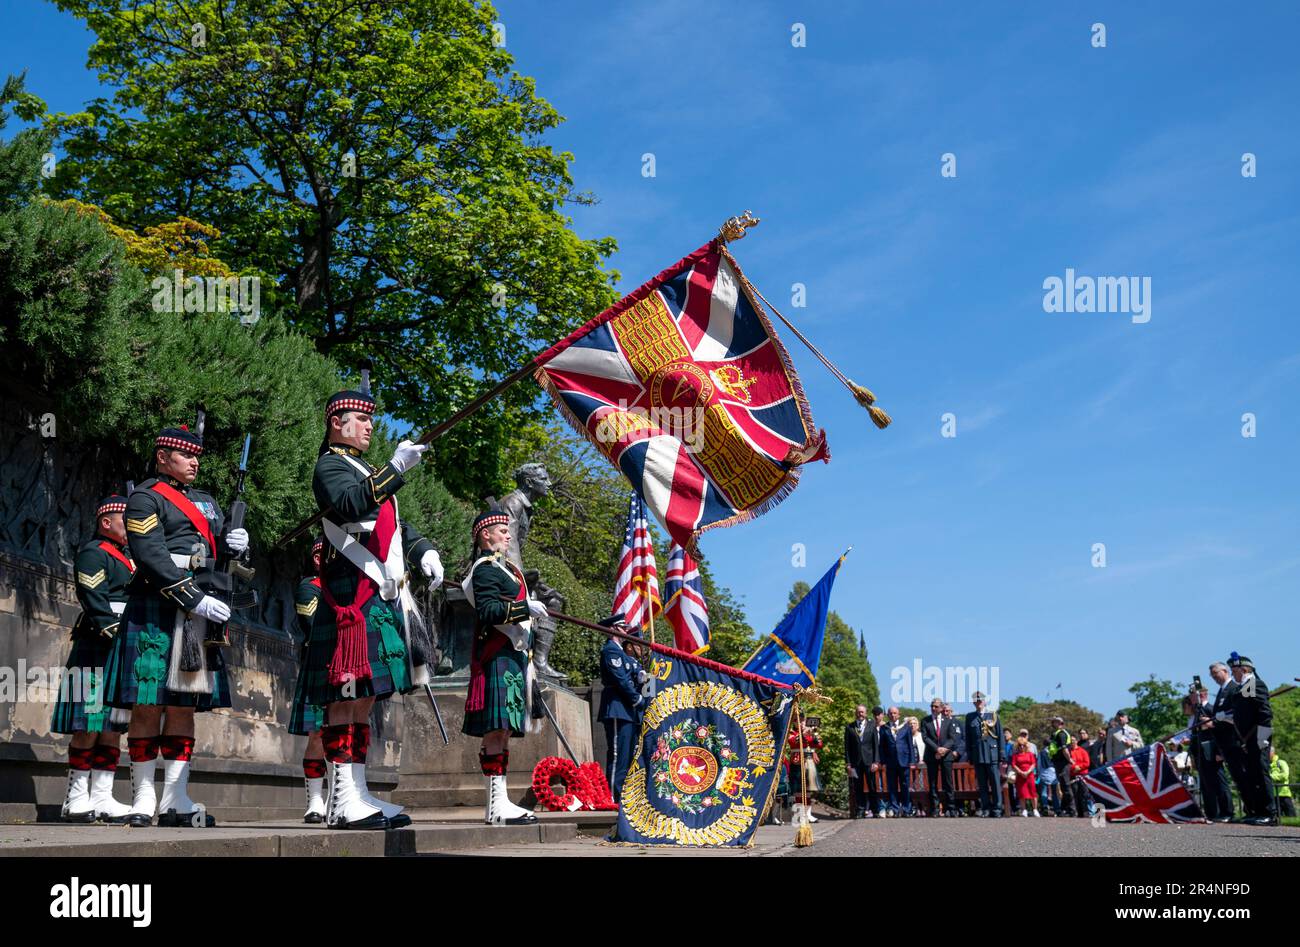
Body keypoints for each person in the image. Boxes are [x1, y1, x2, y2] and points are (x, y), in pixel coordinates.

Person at [302, 389, 443, 830]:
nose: (368, 426)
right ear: (335, 422)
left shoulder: (363, 469)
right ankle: (341, 800)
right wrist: (396, 468)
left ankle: (357, 792)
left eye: (369, 419)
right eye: (359, 418)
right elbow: (351, 504)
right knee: (346, 698)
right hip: (351, 597)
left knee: (363, 699)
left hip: (375, 594)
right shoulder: (329, 466)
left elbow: (391, 523)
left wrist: (421, 550)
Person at [52, 495, 135, 823]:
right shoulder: (93, 552)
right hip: (97, 643)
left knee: (113, 724)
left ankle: (102, 797)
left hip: (122, 646)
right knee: (87, 722)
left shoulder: (128, 559)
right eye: (126, 519)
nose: (133, 525)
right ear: (106, 522)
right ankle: (75, 798)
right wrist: (114, 631)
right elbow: (92, 595)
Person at [462, 510, 543, 825]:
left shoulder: (506, 569)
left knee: (504, 731)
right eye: (502, 531)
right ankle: (495, 806)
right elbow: (489, 610)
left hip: (513, 657)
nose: (509, 536)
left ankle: (501, 801)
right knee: (496, 731)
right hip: (496, 657)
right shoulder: (485, 570)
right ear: (486, 535)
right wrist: (525, 607)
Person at [288, 537, 327, 823]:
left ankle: (342, 795)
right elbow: (312, 626)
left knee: (345, 734)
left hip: (348, 665)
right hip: (320, 665)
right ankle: (315, 801)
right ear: (318, 558)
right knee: (318, 734)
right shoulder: (309, 588)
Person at [596, 613, 644, 803]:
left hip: (627, 709)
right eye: (623, 628)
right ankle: (614, 797)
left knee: (626, 754)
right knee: (617, 755)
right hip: (616, 707)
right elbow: (621, 680)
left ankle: (622, 794)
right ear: (614, 629)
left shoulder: (622, 654)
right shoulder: (610, 651)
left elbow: (631, 673)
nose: (626, 631)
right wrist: (636, 698)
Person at [1226, 653, 1276, 825]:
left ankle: (1270, 812)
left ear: (1244, 669)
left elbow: (1265, 713)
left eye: (1235, 670)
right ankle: (1258, 811)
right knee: (1252, 775)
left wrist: (1263, 737)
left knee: (1261, 774)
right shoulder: (1243, 688)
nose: (1233, 675)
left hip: (1258, 735)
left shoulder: (1256, 684)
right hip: (1246, 739)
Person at [1190, 678, 1231, 822]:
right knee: (1207, 784)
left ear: (1202, 695)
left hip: (1213, 751)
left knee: (1220, 782)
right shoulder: (1197, 712)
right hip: (1202, 752)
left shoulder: (1211, 709)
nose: (1191, 698)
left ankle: (1226, 811)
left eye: (1194, 695)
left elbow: (1221, 731)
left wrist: (1220, 752)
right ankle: (1212, 812)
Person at [1209, 660, 1244, 821]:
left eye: (1216, 673)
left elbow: (1239, 712)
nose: (1214, 677)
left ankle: (1253, 810)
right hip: (1223, 741)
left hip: (1233, 739)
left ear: (1225, 671)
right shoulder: (1221, 691)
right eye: (1212, 675)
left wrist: (1223, 718)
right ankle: (1245, 811)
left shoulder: (1233, 688)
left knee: (1243, 776)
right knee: (1237, 777)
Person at [965, 692, 1004, 817]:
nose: (979, 702)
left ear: (985, 701)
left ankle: (997, 808)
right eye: (976, 701)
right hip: (978, 754)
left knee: (995, 783)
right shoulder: (970, 717)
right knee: (982, 784)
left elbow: (1000, 735)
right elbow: (968, 738)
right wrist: (970, 755)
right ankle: (986, 808)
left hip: (992, 753)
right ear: (973, 703)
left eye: (980, 700)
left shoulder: (992, 715)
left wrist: (1001, 753)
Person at [921, 699, 957, 816]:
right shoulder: (925, 721)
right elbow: (925, 738)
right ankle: (935, 809)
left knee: (948, 782)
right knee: (932, 782)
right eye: (932, 706)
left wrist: (943, 749)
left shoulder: (948, 721)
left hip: (946, 755)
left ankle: (951, 808)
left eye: (936, 706)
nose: (933, 708)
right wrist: (936, 749)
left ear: (941, 708)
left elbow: (952, 738)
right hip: (932, 755)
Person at [880, 707, 915, 817]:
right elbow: (882, 746)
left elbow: (910, 745)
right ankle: (895, 809)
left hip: (904, 761)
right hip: (891, 762)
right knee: (892, 786)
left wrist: (912, 761)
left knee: (905, 786)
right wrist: (883, 761)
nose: (893, 715)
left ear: (898, 715)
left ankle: (906, 809)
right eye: (890, 713)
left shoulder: (906, 727)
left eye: (895, 713)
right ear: (888, 715)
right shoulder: (884, 728)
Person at [787, 719, 823, 824]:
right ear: (794, 723)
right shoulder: (791, 733)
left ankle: (808, 814)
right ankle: (799, 814)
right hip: (797, 762)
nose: (802, 724)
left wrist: (814, 733)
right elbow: (794, 742)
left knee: (808, 789)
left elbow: (819, 744)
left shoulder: (810, 732)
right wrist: (803, 734)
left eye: (803, 722)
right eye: (800, 721)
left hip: (810, 762)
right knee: (798, 790)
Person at [1010, 736, 1039, 816]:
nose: (1021, 747)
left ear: (1026, 745)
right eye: (1020, 745)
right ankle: (1024, 810)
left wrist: (1027, 772)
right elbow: (1013, 764)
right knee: (1022, 793)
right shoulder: (1015, 755)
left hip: (1029, 775)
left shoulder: (1030, 754)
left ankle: (1035, 809)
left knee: (1033, 792)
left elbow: (1033, 764)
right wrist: (1021, 772)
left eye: (1023, 745)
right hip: (1020, 776)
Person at [1067, 739, 1092, 817]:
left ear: (1076, 741)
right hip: (1073, 776)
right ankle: (1078, 812)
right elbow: (1067, 764)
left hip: (1082, 775)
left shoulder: (1082, 751)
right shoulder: (1068, 752)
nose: (1072, 742)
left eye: (1074, 740)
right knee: (1075, 794)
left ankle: (1086, 812)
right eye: (1071, 741)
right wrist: (1074, 768)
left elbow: (1087, 763)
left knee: (1084, 794)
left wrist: (1080, 767)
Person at [1270, 749, 1295, 818]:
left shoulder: (1281, 762)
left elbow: (1285, 775)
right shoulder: (1267, 765)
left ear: (1273, 753)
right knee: (1277, 818)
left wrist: (1271, 777)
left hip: (1284, 795)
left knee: (1291, 816)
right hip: (1273, 796)